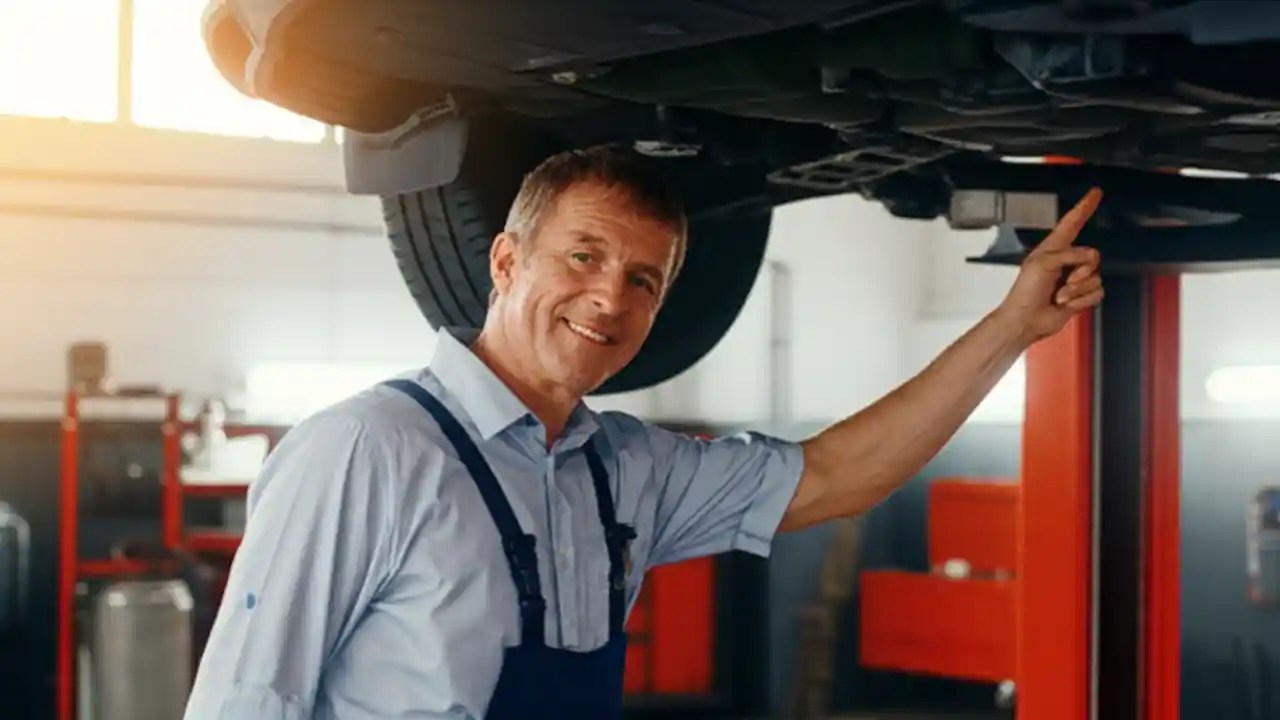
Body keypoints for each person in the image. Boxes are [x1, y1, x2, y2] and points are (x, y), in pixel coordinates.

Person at [182, 146, 1104, 720]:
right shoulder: (365, 450)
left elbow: (835, 477)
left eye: (642, 280)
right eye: (583, 257)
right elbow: (248, 700)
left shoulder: (622, 472)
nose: (607, 298)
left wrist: (1013, 327)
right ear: (505, 261)